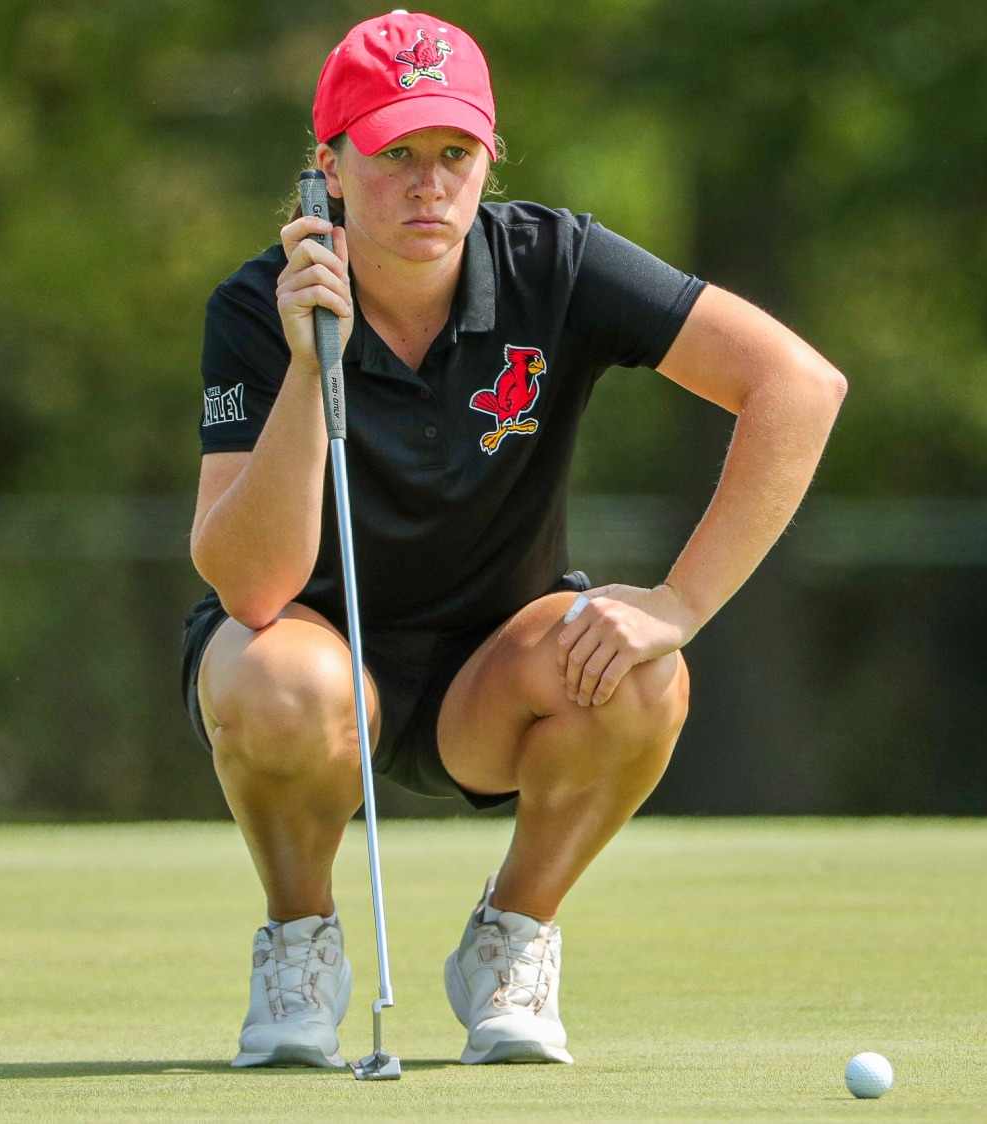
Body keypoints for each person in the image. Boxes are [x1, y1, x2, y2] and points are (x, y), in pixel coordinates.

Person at [180, 9, 846, 1068]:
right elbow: (250, 585)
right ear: (328, 170)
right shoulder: (257, 310)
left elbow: (798, 385)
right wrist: (315, 364)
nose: (428, 184)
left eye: (454, 154)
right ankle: (299, 940)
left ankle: (511, 931)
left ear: (487, 160)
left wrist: (677, 602)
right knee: (283, 684)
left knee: (641, 675)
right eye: (394, 154)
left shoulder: (555, 263)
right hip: (309, 658)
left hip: (493, 679)